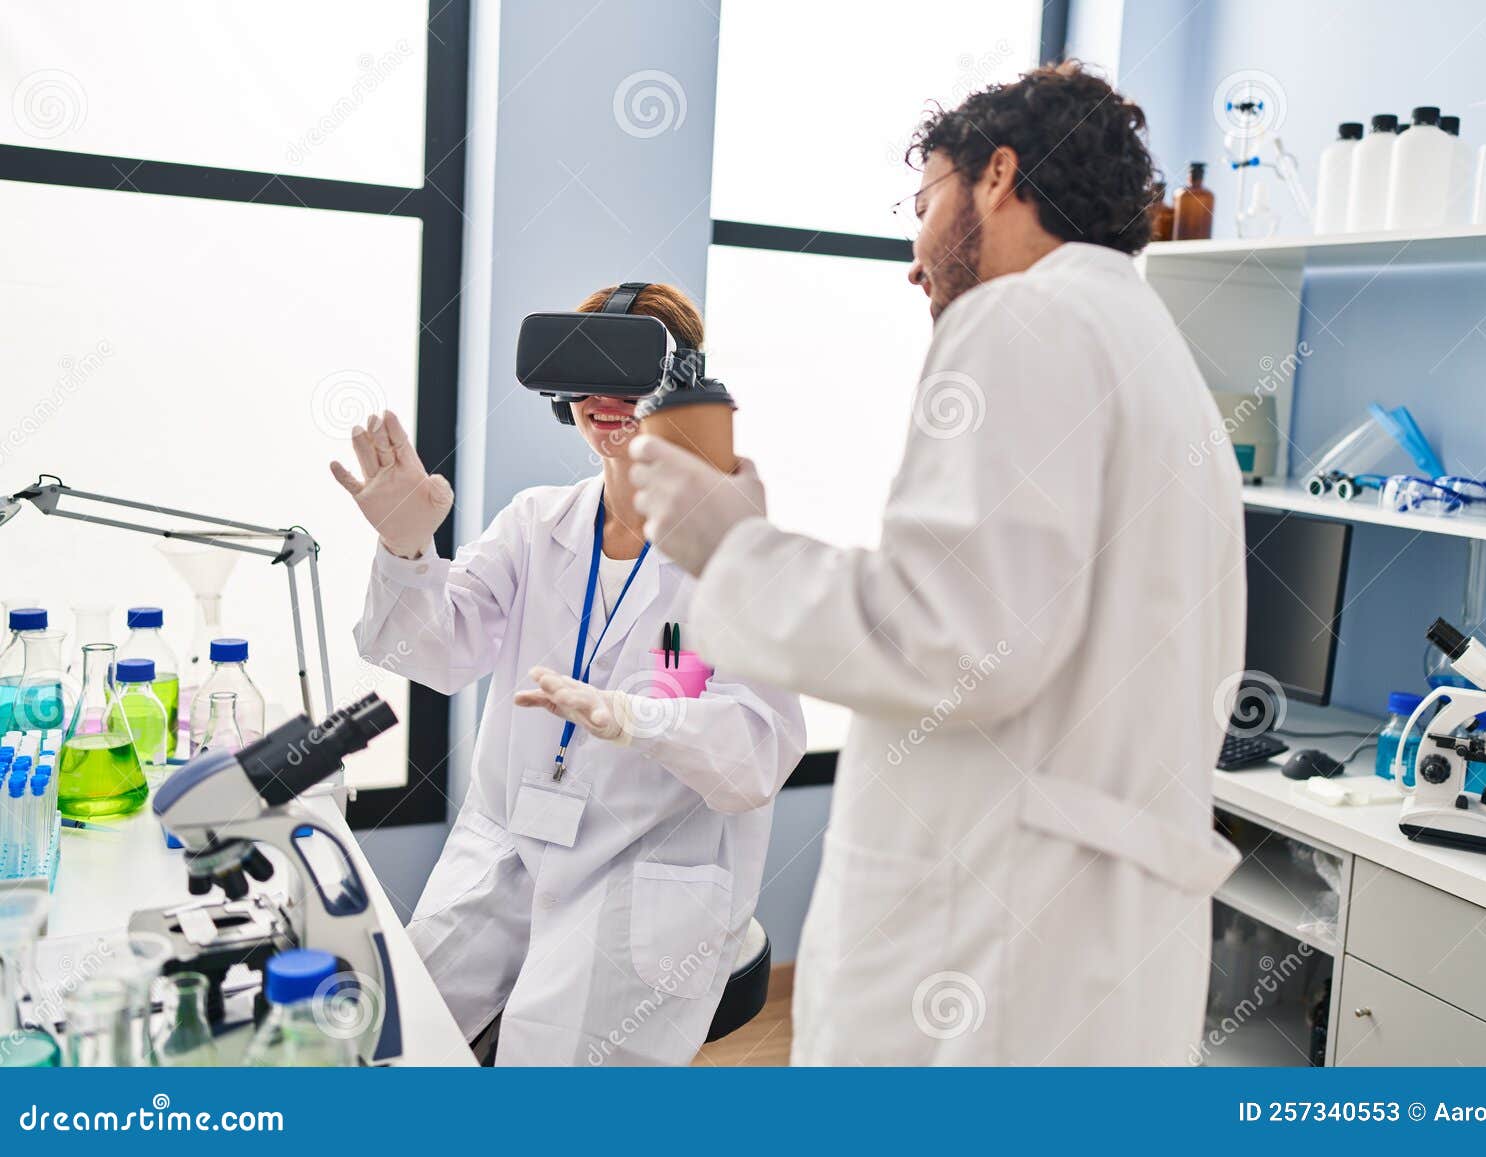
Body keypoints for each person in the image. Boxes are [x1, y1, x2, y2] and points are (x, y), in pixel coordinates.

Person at [628, 62, 1245, 1064]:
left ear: (998, 176)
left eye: (922, 206)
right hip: (1086, 945)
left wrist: (728, 545)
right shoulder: (1152, 352)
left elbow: (958, 637)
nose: (913, 260)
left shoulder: (1020, 316)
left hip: (991, 943)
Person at [330, 282, 805, 1066]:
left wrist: (636, 718)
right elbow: (437, 652)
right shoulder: (534, 523)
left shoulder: (728, 545)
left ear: (682, 380)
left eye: (630, 372)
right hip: (508, 852)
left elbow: (757, 748)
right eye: (583, 372)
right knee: (400, 1039)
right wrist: (407, 551)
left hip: (640, 870)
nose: (603, 398)